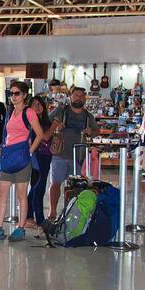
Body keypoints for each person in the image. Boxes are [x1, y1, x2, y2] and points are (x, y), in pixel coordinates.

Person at [0, 80, 45, 242]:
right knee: (1, 193)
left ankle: (20, 228)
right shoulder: (10, 112)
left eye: (17, 93)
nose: (13, 97)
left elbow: (40, 134)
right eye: (11, 93)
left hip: (22, 158)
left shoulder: (28, 112)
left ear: (24, 95)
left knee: (21, 195)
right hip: (9, 157)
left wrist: (29, 151)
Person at [46, 85, 96, 222]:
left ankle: (72, 213)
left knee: (76, 187)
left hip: (79, 156)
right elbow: (45, 123)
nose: (79, 98)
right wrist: (56, 127)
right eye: (76, 95)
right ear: (70, 97)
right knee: (55, 184)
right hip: (60, 154)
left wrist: (90, 131)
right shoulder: (60, 111)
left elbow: (96, 131)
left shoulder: (88, 116)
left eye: (82, 96)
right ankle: (53, 212)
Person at [24, 95, 53, 229]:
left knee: (36, 187)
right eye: (34, 104)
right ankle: (40, 220)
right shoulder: (30, 122)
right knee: (39, 188)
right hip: (35, 157)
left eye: (39, 103)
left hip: (46, 157)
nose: (37, 106)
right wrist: (55, 126)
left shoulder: (46, 121)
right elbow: (45, 137)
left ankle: (28, 216)